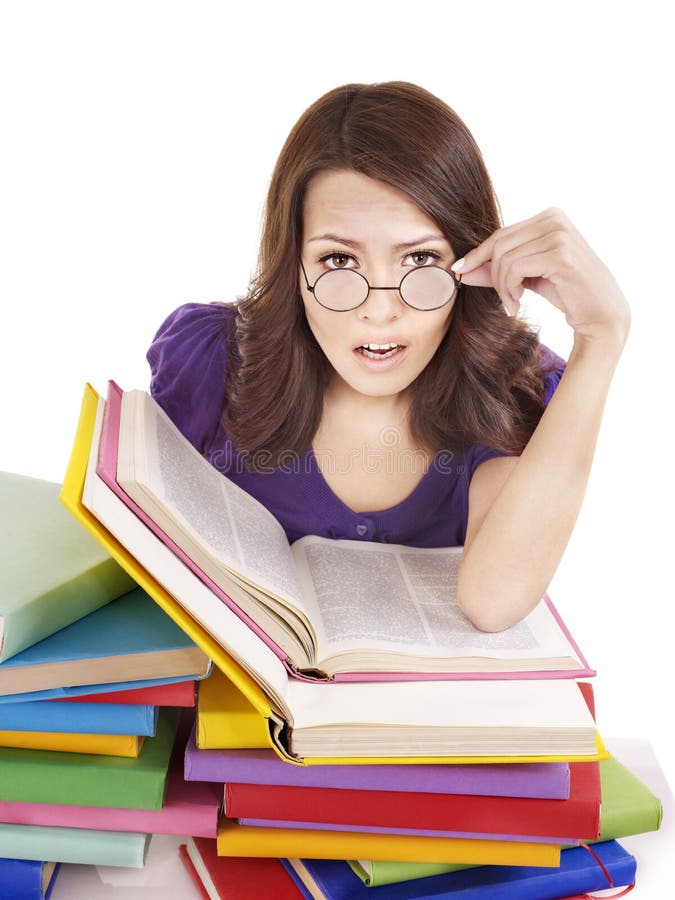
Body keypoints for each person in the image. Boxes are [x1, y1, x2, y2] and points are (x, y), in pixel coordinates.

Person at [146, 81, 631, 633]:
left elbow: (494, 601)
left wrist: (602, 335)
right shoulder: (209, 360)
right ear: (293, 265)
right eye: (338, 261)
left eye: (419, 258)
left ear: (471, 261)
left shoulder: (515, 391)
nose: (380, 312)